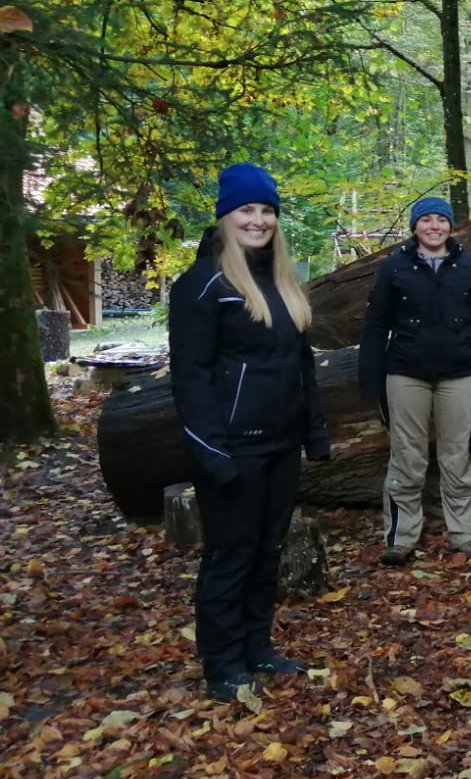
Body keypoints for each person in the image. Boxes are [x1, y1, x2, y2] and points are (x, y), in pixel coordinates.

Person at [169, 163, 330, 701]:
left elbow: (300, 363)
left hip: (281, 444)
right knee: (230, 554)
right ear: (226, 216)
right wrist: (212, 453)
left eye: (266, 210)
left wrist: (314, 432)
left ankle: (258, 648)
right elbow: (190, 378)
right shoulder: (203, 284)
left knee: (269, 549)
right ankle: (223, 664)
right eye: (247, 210)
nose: (258, 220)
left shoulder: (281, 280)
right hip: (232, 449)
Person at [359, 197, 471, 565]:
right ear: (415, 227)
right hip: (406, 373)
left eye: (441, 220)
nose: (435, 226)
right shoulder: (394, 267)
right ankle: (401, 536)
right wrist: (371, 379)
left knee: (457, 455)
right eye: (427, 220)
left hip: (461, 373)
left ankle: (464, 531)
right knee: (408, 456)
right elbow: (375, 326)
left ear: (451, 226)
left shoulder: (469, 266)